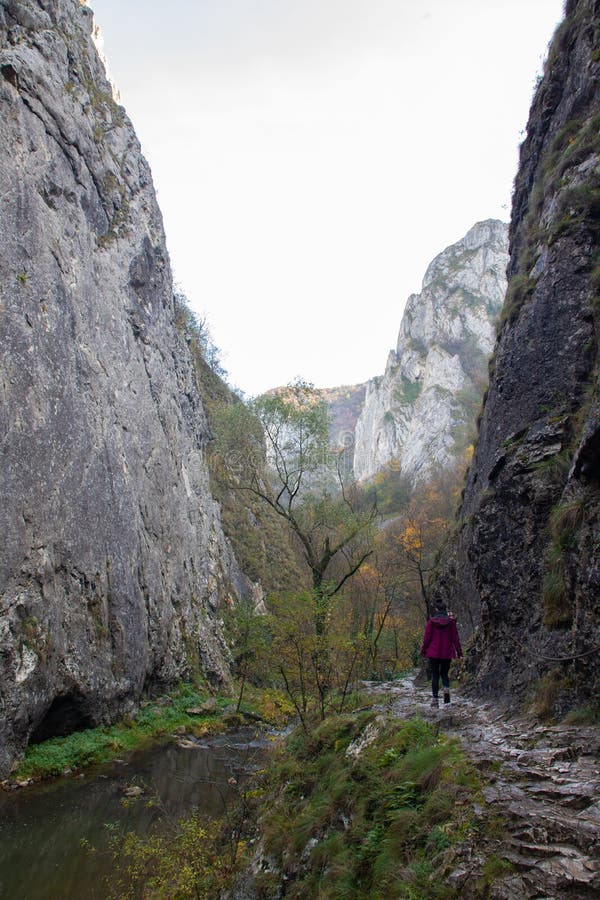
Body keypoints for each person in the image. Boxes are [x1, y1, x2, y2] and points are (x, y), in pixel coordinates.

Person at [420, 602, 463, 707]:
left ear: (436, 610)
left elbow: (427, 638)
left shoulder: (431, 622)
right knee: (444, 674)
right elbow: (455, 639)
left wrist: (423, 651)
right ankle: (446, 694)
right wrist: (460, 653)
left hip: (433, 653)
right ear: (445, 609)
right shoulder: (451, 623)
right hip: (447, 653)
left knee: (435, 675)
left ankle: (435, 700)